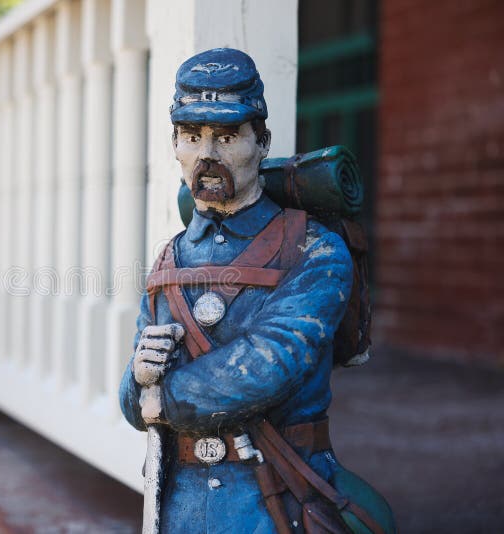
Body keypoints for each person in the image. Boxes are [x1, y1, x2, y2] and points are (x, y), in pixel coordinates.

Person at [119, 48, 394, 533]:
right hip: (180, 507)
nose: (207, 155)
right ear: (175, 146)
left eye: (226, 137)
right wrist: (137, 380)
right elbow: (133, 400)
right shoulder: (169, 258)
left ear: (261, 143)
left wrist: (161, 399)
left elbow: (273, 360)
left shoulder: (314, 249)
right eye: (191, 136)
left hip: (276, 501)